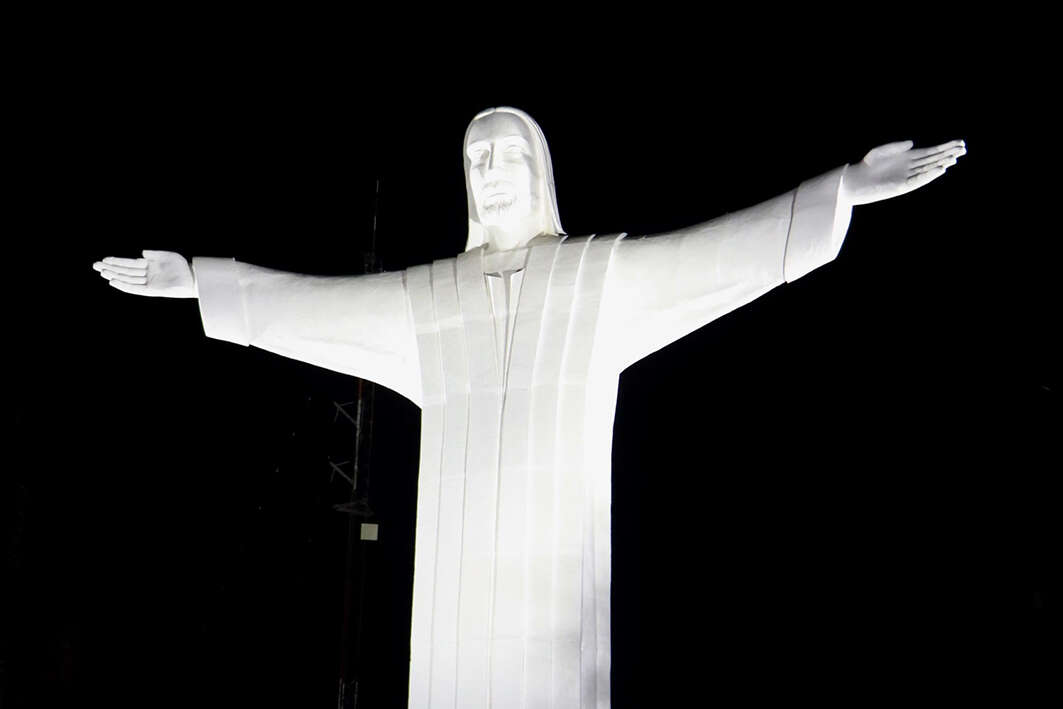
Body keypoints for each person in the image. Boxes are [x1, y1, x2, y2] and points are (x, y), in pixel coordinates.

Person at [94, 107, 965, 708]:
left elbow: (720, 254)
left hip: (556, 627)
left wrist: (838, 189)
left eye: (509, 155)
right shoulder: (426, 299)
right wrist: (201, 283)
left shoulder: (597, 277)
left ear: (540, 173)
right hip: (451, 620)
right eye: (476, 159)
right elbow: (310, 305)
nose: (491, 171)